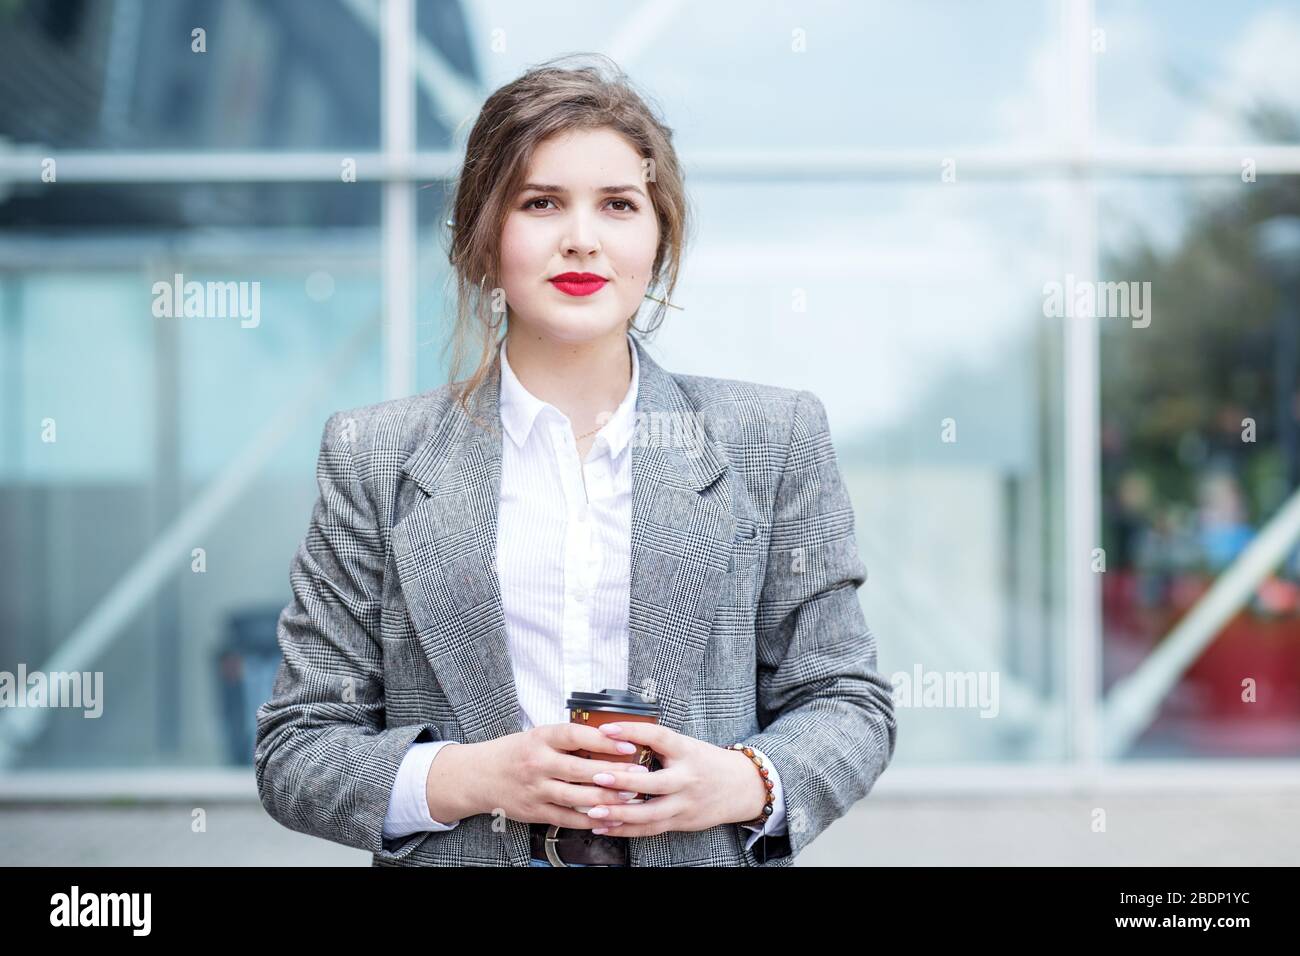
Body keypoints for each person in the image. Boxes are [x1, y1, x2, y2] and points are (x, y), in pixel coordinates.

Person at [254, 53, 896, 867]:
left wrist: (740, 783)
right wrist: (472, 776)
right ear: (484, 240)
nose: (582, 239)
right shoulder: (373, 456)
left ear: (659, 242)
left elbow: (845, 700)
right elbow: (297, 748)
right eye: (542, 202)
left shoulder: (773, 438)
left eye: (619, 205)